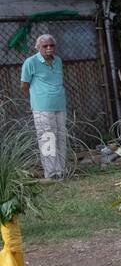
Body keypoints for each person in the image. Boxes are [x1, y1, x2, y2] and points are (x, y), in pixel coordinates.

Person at [20, 33, 67, 179]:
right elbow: (24, 85)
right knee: (48, 138)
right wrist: (37, 99)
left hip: (60, 104)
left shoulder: (58, 60)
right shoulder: (31, 62)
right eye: (45, 46)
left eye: (51, 45)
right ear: (38, 47)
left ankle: (61, 171)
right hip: (42, 107)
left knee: (61, 137)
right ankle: (51, 173)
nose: (49, 48)